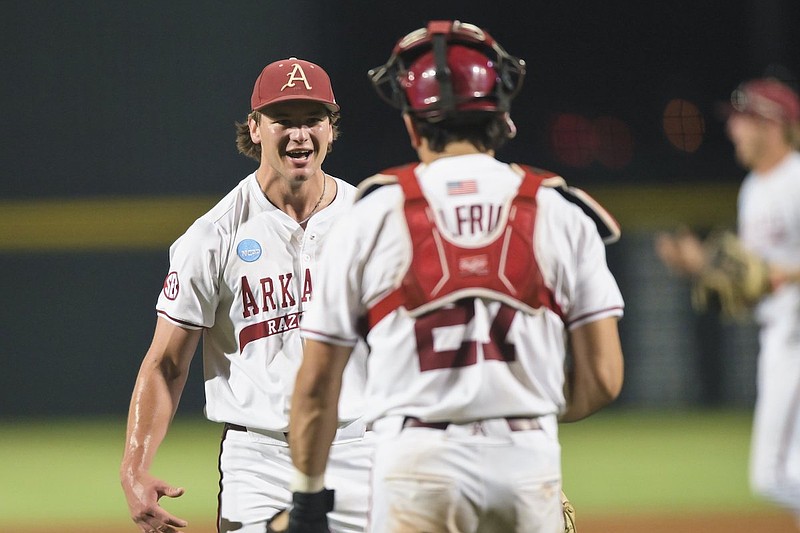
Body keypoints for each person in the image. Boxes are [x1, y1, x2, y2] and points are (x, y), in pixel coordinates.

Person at [287, 20, 625, 532]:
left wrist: (309, 501)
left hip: (415, 459)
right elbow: (603, 379)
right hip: (525, 462)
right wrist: (518, 414)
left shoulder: (370, 215)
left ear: (412, 123)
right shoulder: (560, 210)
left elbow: (315, 386)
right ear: (501, 114)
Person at [119, 57, 372, 533]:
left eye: (313, 119)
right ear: (255, 128)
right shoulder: (213, 235)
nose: (300, 135)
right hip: (259, 461)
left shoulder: (370, 220)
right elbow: (167, 363)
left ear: (331, 128)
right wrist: (135, 466)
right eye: (284, 120)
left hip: (361, 447)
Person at [656, 76, 800, 524]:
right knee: (791, 472)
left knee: (773, 476)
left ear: (772, 125)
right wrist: (702, 267)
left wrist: (783, 273)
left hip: (796, 339)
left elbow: (772, 273)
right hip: (780, 335)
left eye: (743, 120)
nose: (733, 129)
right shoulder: (753, 189)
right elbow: (750, 279)